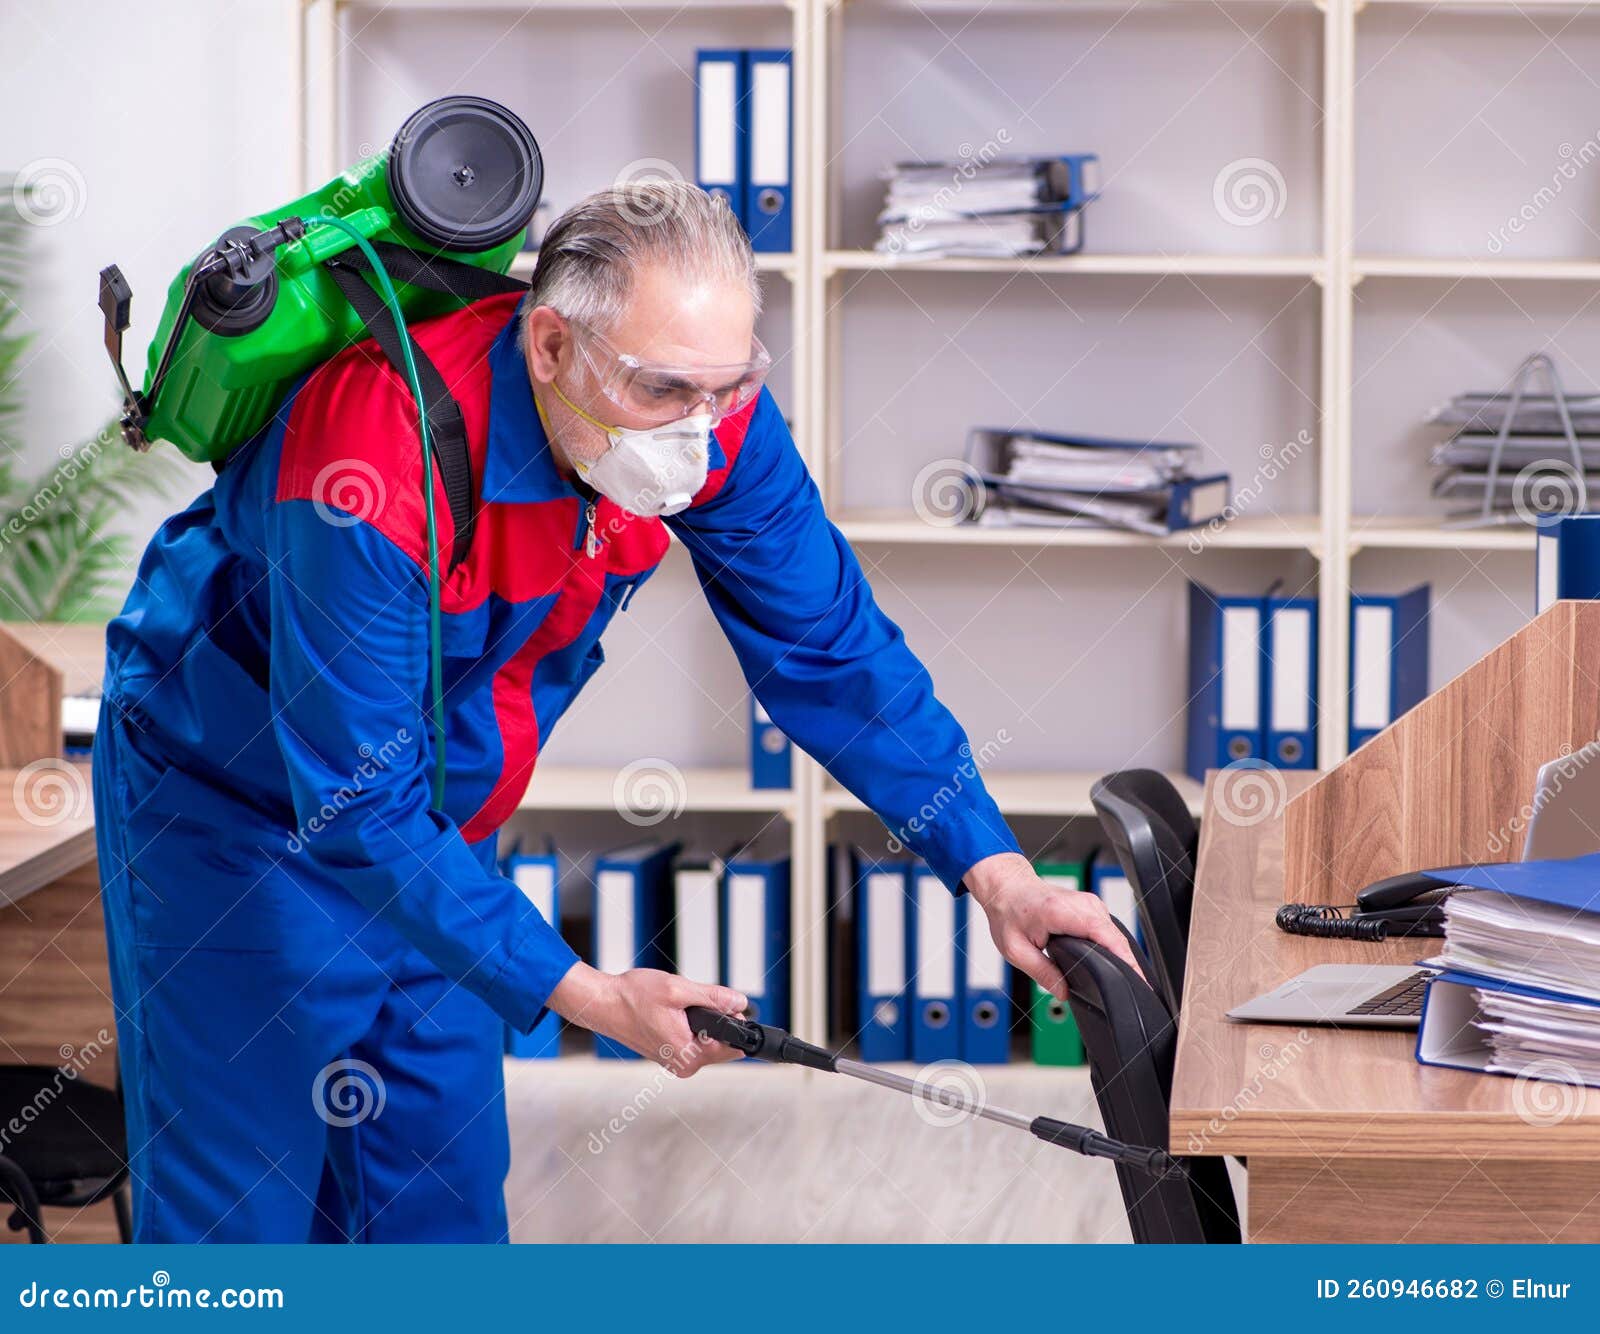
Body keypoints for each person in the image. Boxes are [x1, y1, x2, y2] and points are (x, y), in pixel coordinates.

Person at [93, 180, 1139, 1242]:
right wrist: (592, 992)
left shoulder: (707, 413)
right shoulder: (369, 459)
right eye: (662, 389)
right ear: (548, 346)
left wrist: (996, 869)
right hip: (232, 808)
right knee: (244, 1215)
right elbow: (356, 803)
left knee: (438, 1204)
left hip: (436, 828)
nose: (699, 429)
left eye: (729, 388)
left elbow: (831, 650)